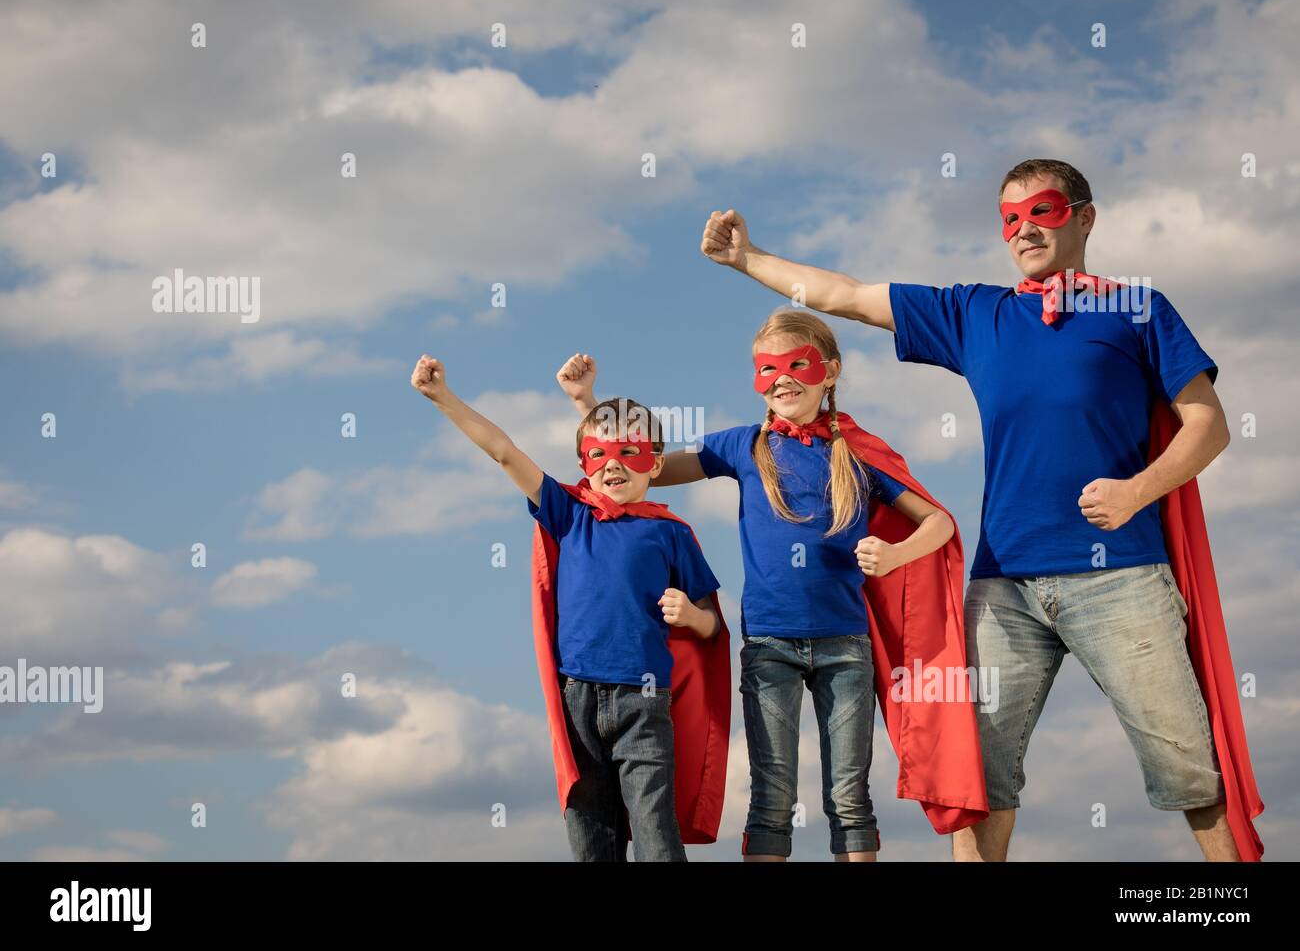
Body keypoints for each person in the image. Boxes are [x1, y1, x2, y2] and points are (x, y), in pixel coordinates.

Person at [696, 157, 1263, 861]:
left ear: (1084, 217)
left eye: (1043, 211)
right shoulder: (976, 313)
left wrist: (1137, 490)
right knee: (980, 781)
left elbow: (1207, 423)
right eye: (1010, 218)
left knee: (1189, 770)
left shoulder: (1137, 308)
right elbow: (844, 296)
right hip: (1003, 590)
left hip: (1121, 576)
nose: (1024, 228)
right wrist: (748, 258)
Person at [556, 311, 988, 862]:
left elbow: (940, 522)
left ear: (829, 372)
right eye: (768, 369)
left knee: (849, 796)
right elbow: (640, 466)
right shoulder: (744, 445)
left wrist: (896, 553)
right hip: (768, 648)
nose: (782, 379)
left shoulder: (858, 451)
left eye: (796, 365)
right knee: (771, 797)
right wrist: (586, 403)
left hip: (845, 646)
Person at [411, 355, 729, 861]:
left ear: (657, 464)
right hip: (577, 697)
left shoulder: (670, 533)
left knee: (654, 835)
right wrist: (443, 397)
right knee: (591, 835)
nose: (615, 464)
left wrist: (692, 616)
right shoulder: (568, 513)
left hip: (644, 702)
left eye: (631, 451)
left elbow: (714, 628)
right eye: (600, 453)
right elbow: (505, 453)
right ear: (584, 461)